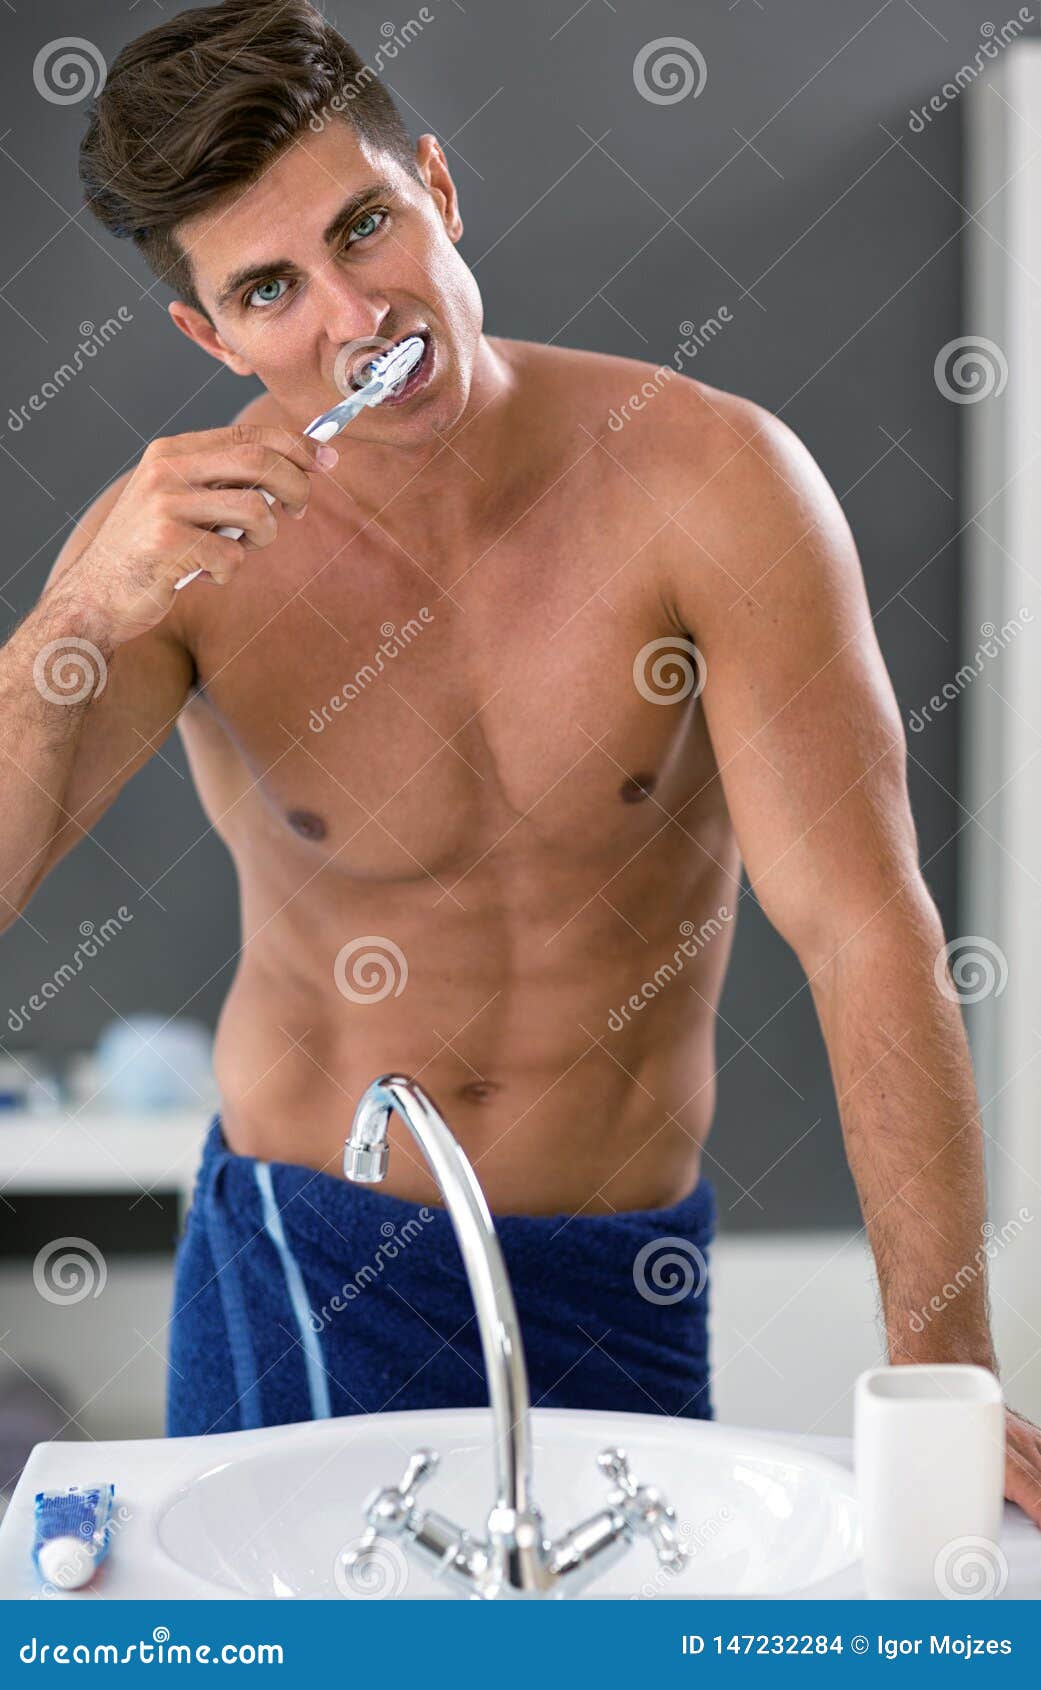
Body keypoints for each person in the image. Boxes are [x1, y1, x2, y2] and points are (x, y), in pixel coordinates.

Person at [1, 0, 1038, 1523]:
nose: (354, 315)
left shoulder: (711, 482)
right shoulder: (179, 554)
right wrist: (69, 621)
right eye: (272, 288)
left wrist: (943, 1361)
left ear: (438, 186)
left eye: (366, 225)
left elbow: (859, 926)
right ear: (207, 334)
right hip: (308, 1251)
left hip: (620, 1265)